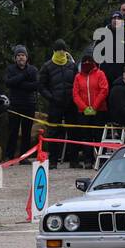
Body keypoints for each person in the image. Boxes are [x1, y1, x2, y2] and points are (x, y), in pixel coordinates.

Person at [38, 39, 78, 167]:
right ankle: (53, 161)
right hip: (55, 104)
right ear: (54, 51)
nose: (61, 52)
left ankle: (74, 161)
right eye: (59, 50)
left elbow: (77, 84)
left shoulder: (72, 65)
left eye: (63, 50)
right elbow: (41, 86)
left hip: (71, 104)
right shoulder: (47, 66)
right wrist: (51, 97)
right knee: (54, 132)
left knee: (73, 132)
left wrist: (74, 97)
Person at [69, 49, 109, 168]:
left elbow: (104, 90)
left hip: (99, 110)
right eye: (84, 61)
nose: (87, 63)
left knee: (99, 135)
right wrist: (85, 108)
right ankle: (88, 160)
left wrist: (94, 106)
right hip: (83, 112)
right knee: (85, 136)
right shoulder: (78, 77)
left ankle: (101, 160)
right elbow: (75, 94)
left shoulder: (100, 74)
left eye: (89, 61)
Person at [4, 45, 40, 159]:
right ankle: (9, 156)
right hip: (15, 105)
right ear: (15, 58)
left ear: (27, 57)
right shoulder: (10, 69)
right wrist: (23, 76)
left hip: (29, 104)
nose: (21, 58)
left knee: (26, 132)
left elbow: (36, 85)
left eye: (23, 55)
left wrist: (19, 84)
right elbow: (8, 83)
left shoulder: (33, 70)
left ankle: (24, 157)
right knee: (12, 132)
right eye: (18, 55)